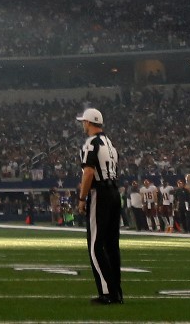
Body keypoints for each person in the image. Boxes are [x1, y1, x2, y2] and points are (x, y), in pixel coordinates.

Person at [74, 107, 121, 306]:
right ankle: (116, 291)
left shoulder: (91, 143)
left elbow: (89, 173)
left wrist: (82, 198)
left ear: (89, 122)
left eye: (84, 122)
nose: (83, 125)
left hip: (100, 194)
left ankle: (106, 292)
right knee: (111, 246)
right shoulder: (109, 144)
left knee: (95, 245)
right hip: (114, 193)